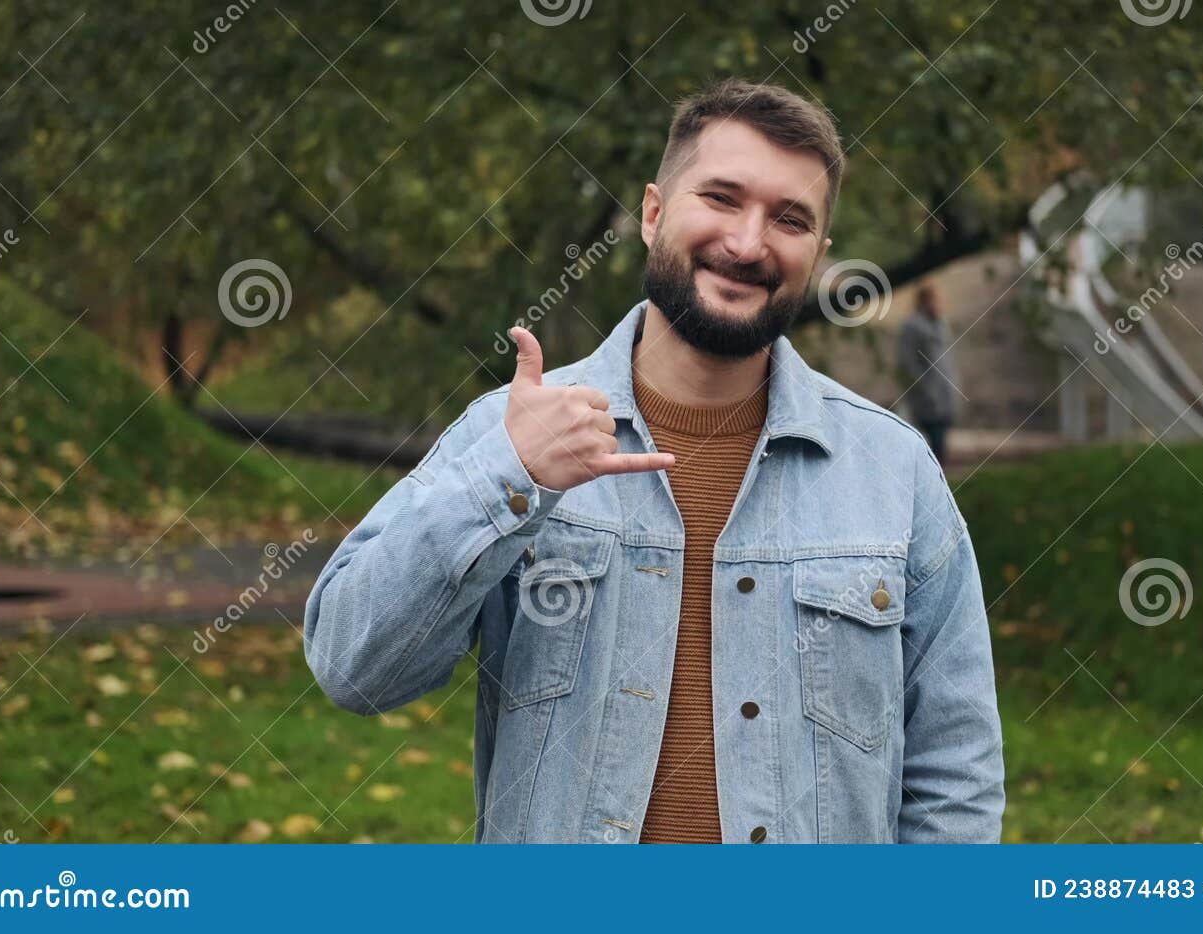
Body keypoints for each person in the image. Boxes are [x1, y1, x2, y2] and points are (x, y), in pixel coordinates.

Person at [303, 78, 1003, 844]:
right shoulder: (511, 432)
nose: (747, 243)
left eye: (790, 219)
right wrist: (509, 477)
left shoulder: (892, 470)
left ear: (819, 255)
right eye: (722, 198)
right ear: (652, 213)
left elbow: (956, 772)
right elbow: (355, 666)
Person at [894, 283, 961, 462]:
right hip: (925, 398)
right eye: (933, 299)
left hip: (944, 394)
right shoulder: (912, 326)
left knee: (941, 446)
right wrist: (923, 388)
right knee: (927, 448)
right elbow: (907, 362)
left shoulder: (941, 324)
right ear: (923, 301)